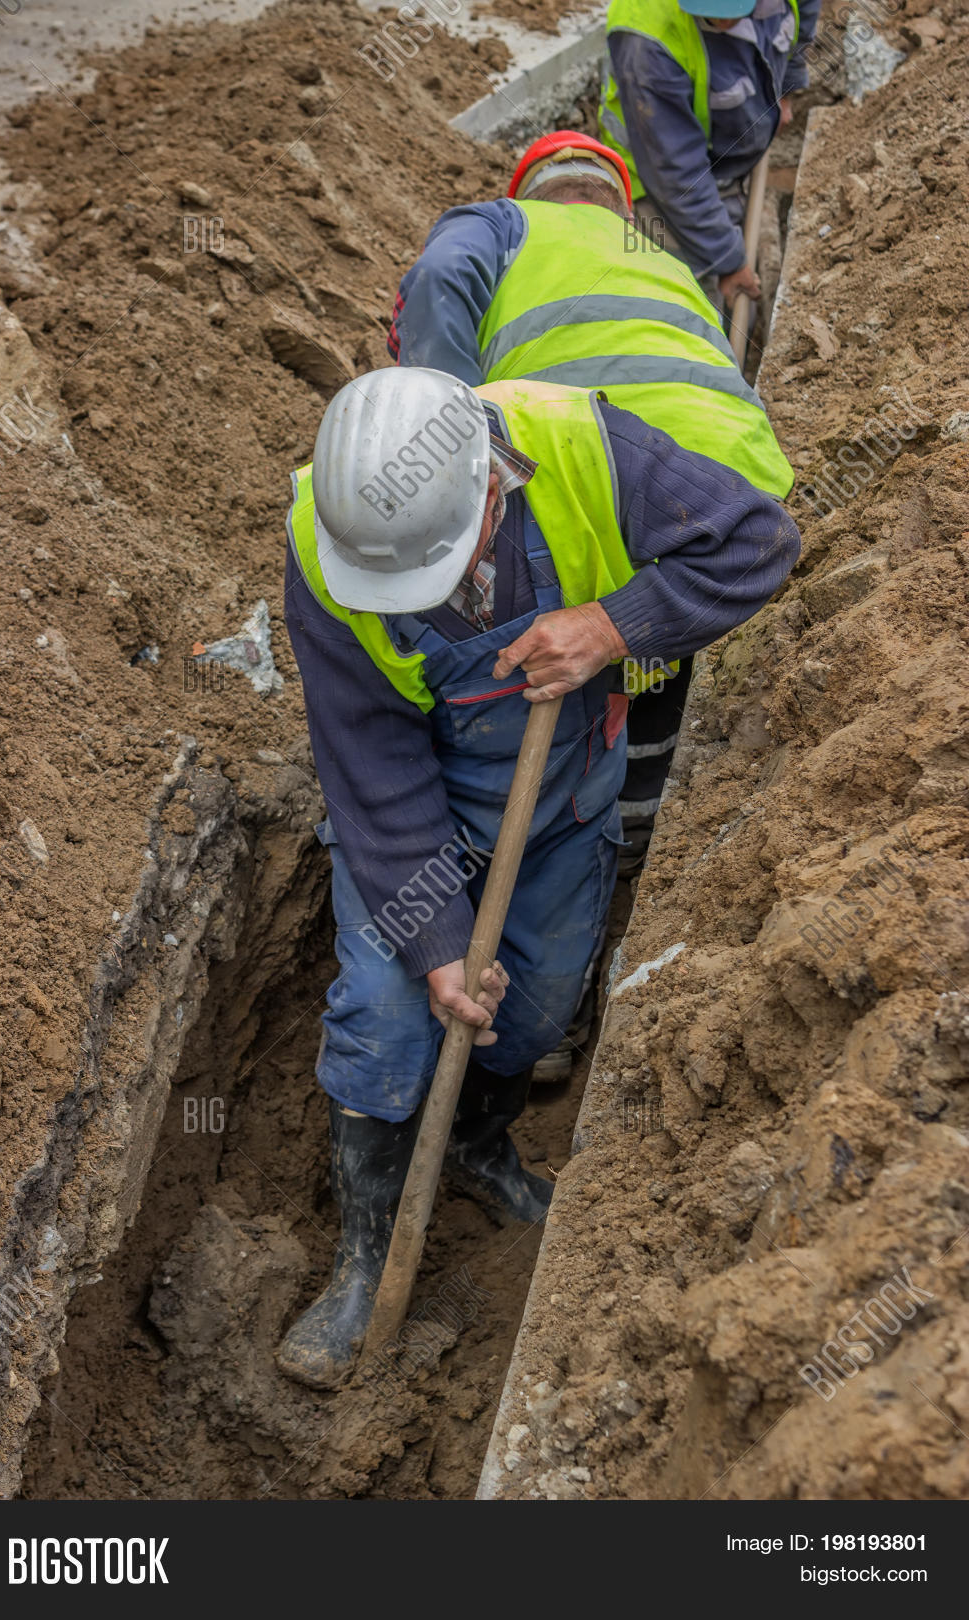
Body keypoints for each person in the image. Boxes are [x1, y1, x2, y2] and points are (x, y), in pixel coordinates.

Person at [278, 365, 800, 1387]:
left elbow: (756, 542)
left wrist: (615, 625)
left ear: (487, 487)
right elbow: (372, 768)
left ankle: (477, 1147)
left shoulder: (584, 449)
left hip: (557, 804)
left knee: (540, 1001)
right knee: (384, 1021)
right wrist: (435, 948)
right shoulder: (323, 545)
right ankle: (367, 1254)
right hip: (418, 827)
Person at [386, 127, 793, 1072]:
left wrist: (440, 432)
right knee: (649, 674)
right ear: (617, 201)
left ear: (527, 189)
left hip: (589, 478)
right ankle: (625, 884)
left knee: (583, 689)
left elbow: (439, 278)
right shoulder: (661, 262)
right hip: (723, 496)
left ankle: (567, 978)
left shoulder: (498, 226)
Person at [599, 0, 821, 304]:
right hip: (655, 180)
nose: (722, 22)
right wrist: (729, 260)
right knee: (691, 301)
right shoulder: (646, 38)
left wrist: (785, 88)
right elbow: (675, 172)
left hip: (723, 158)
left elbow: (803, 10)